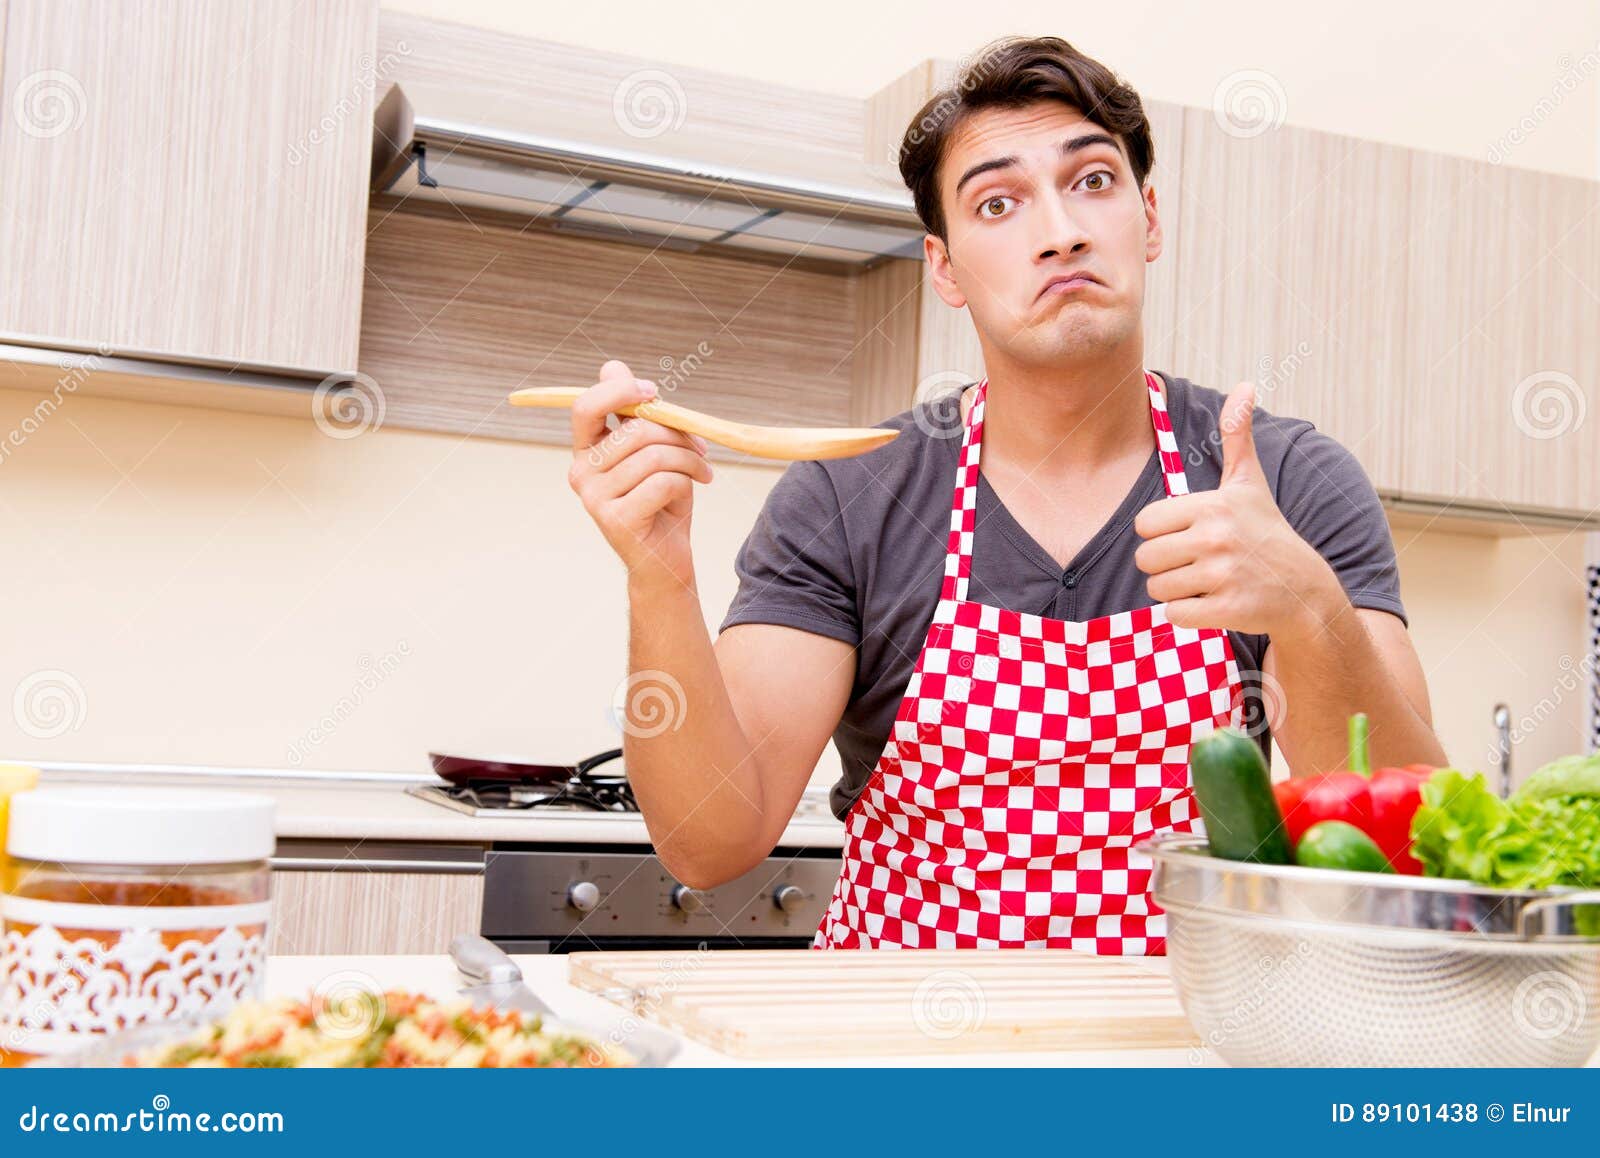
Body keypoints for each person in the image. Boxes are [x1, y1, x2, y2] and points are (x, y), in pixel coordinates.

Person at [563, 35, 1445, 952]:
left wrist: (1310, 610)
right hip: (901, 1057)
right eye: (998, 202)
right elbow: (712, 844)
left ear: (1148, 219)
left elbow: (1412, 843)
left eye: (1093, 182)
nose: (1059, 230)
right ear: (944, 268)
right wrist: (658, 578)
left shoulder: (1287, 478)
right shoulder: (850, 491)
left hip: (1180, 1050)